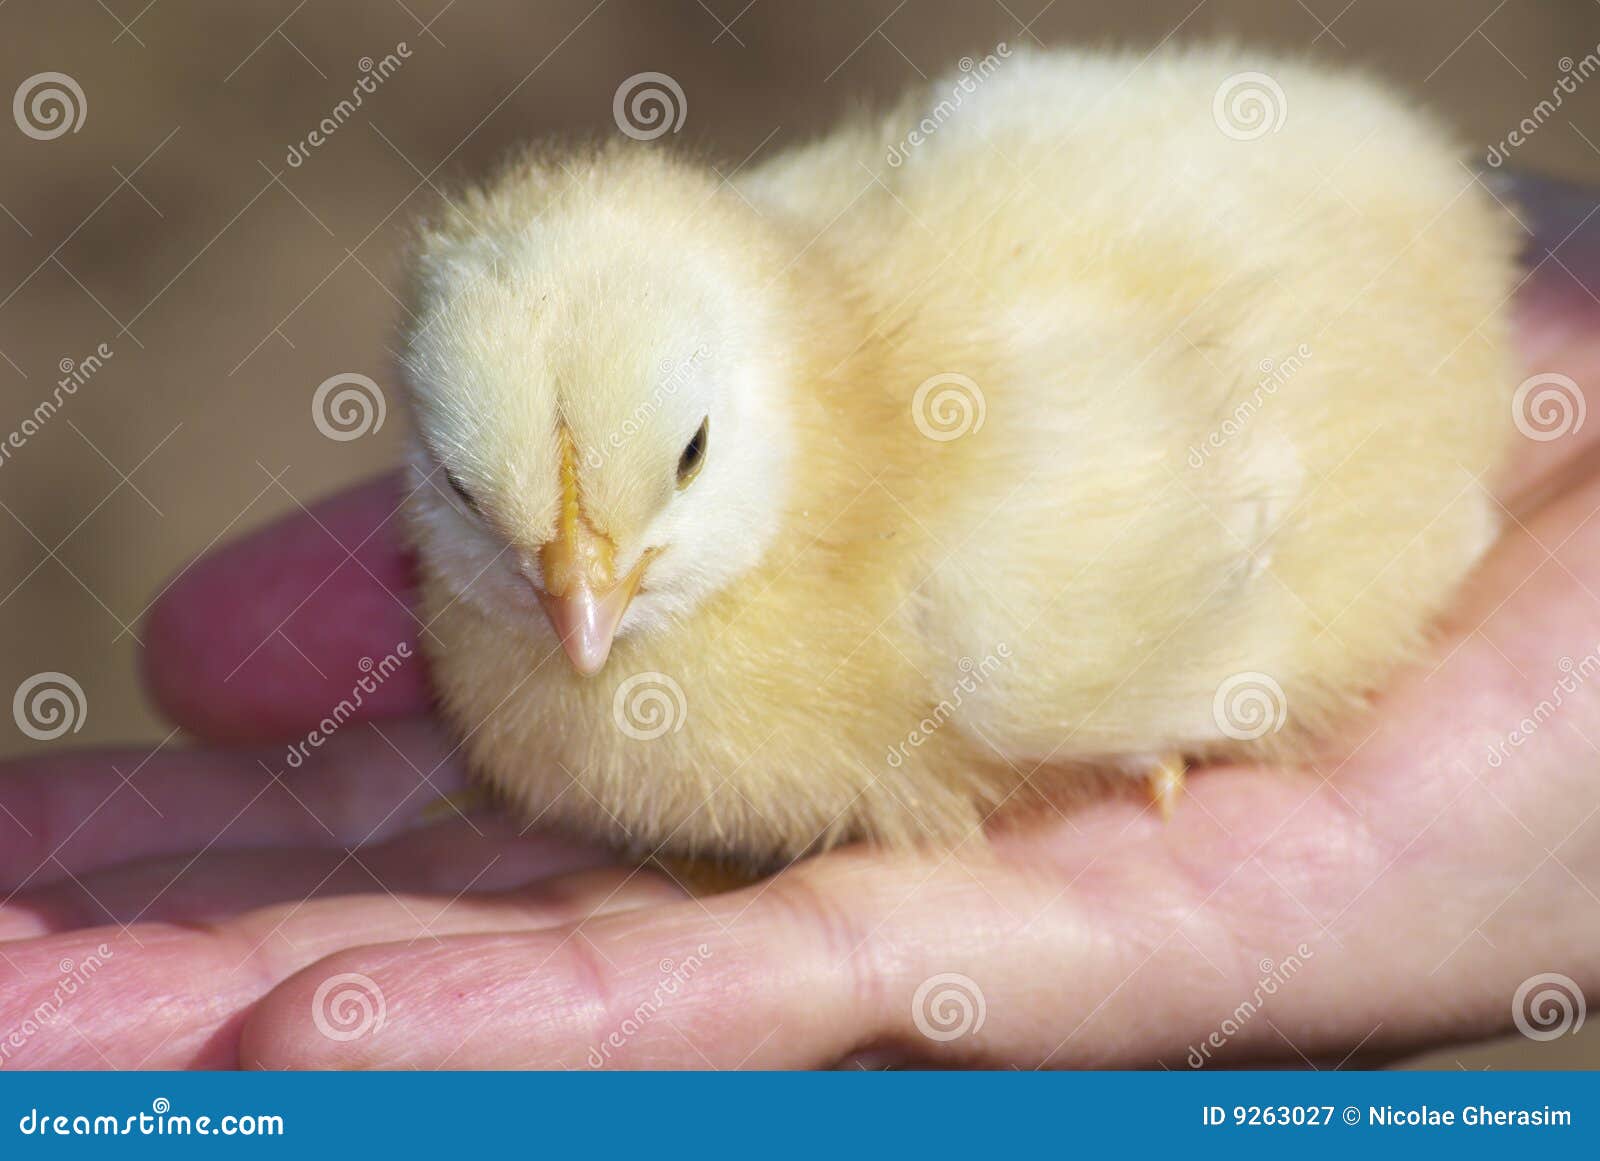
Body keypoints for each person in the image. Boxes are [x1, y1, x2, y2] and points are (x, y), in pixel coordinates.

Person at [1, 215, 1597, 1070]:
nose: (582, 611)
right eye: (493, 516)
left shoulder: (999, 556)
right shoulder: (642, 385)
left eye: (676, 476)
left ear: (739, 401)